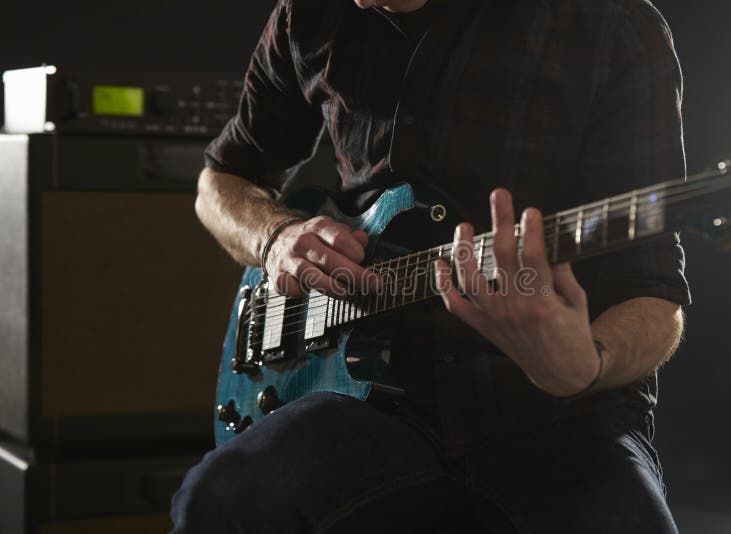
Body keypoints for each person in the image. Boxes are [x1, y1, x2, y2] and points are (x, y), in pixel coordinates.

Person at [171, 0, 691, 531]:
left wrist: (589, 366)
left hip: (555, 415)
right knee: (218, 502)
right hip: (362, 401)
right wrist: (275, 237)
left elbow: (653, 294)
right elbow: (220, 184)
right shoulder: (309, 13)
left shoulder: (610, 26)